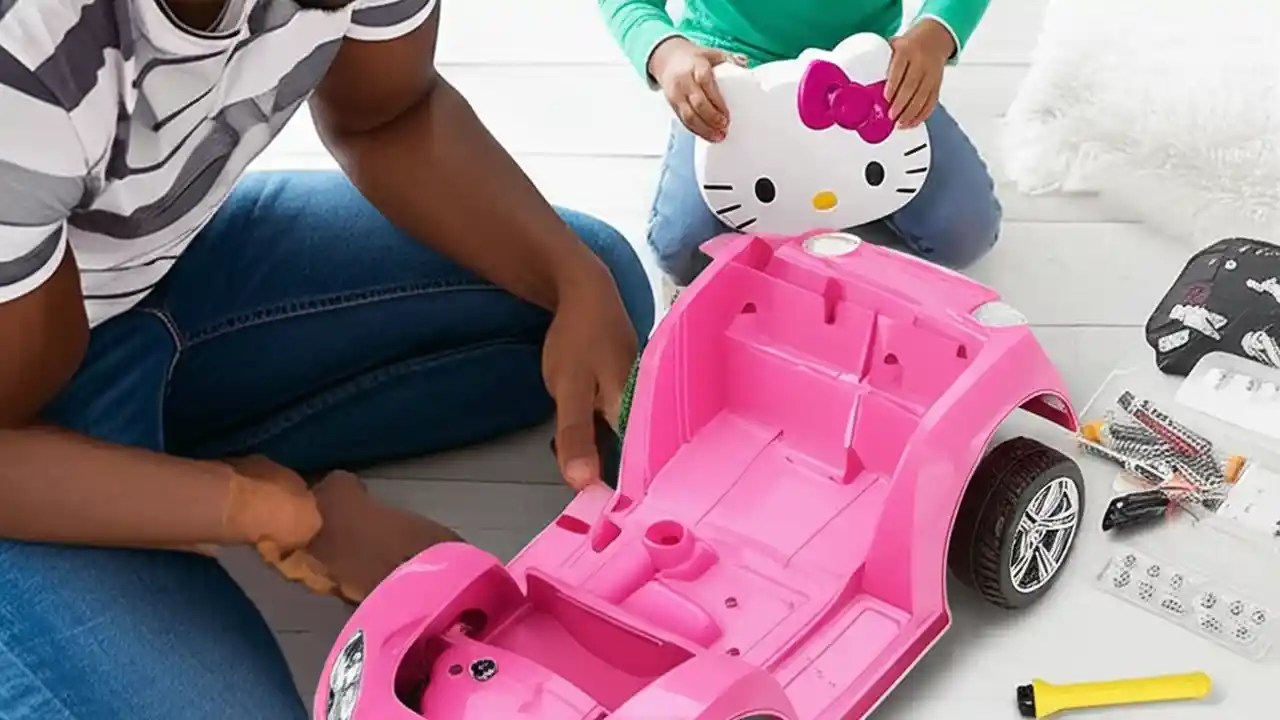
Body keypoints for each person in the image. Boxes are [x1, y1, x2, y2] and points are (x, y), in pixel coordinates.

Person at [0, 0, 653, 717]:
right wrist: (263, 509)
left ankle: (154, 446)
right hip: (19, 400)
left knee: (591, 288)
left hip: (135, 276)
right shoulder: (25, 47)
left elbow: (390, 113)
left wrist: (570, 278)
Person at [598, 0, 1001, 285]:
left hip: (864, 70)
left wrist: (936, 32)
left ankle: (845, 192)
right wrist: (667, 54)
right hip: (729, 73)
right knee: (685, 249)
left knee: (964, 231)